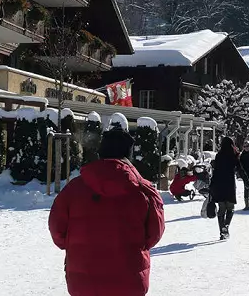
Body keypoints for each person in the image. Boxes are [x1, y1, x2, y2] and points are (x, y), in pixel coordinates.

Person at [48, 126, 165, 296]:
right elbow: (154, 233)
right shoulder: (144, 190)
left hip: (83, 279)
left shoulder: (74, 189)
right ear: (128, 155)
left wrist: (73, 246)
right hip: (129, 278)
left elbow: (57, 229)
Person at [210, 137, 249, 240]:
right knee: (230, 208)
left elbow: (215, 171)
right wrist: (246, 181)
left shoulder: (219, 156)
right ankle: (226, 225)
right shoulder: (233, 155)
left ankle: (222, 232)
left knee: (221, 209)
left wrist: (212, 185)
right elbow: (240, 169)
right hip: (229, 185)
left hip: (219, 185)